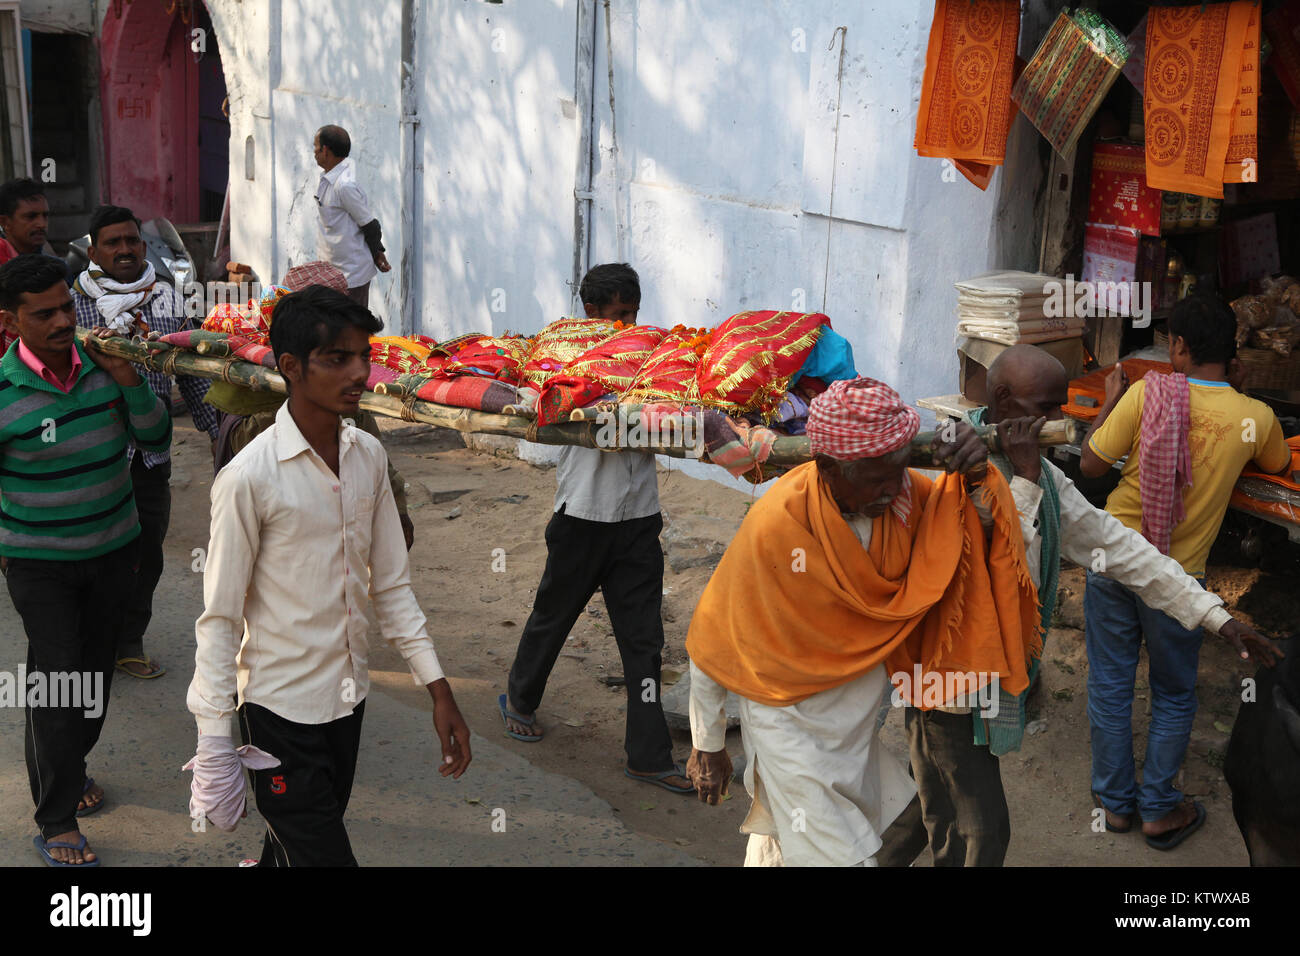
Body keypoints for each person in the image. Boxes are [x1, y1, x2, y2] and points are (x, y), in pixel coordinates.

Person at [875, 344, 1282, 866]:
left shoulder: (1044, 478)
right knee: (979, 832)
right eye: (1043, 407)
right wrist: (1020, 479)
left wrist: (1216, 617)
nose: (1055, 420)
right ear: (1002, 398)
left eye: (1057, 406)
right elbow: (988, 572)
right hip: (943, 685)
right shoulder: (943, 466)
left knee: (928, 807)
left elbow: (1120, 547)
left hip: (985, 677)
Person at [686, 376, 1042, 866]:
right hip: (784, 724)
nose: (890, 489)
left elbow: (978, 533)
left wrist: (989, 473)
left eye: (898, 473)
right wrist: (707, 743)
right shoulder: (776, 523)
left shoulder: (906, 501)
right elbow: (714, 636)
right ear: (828, 467)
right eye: (876, 479)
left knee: (782, 844)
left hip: (851, 732)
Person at [186, 285, 470, 866]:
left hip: (348, 698)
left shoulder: (368, 455)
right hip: (276, 711)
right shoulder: (249, 478)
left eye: (364, 356)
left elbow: (389, 585)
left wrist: (439, 689)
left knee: (292, 847)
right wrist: (214, 735)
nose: (359, 372)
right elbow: (220, 614)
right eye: (337, 359)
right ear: (291, 366)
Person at [1080, 294, 1291, 849]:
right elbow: (1278, 464)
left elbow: (1091, 464)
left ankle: (1114, 802)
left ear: (1177, 347)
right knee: (1174, 693)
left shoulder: (1147, 393)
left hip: (1116, 556)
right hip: (1178, 581)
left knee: (1110, 680)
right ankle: (1159, 809)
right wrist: (1240, 399)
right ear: (1234, 355)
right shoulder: (1255, 417)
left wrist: (1110, 401)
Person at [0, 254, 172, 866]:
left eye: (65, 307)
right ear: (9, 322)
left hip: (113, 554)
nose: (59, 322)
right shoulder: (2, 392)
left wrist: (129, 378)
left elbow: (154, 440)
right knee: (58, 680)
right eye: (41, 314)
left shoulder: (106, 370)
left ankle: (67, 768)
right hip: (38, 566)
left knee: (91, 680)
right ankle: (57, 817)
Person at [498, 263, 691, 793]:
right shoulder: (569, 361)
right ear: (592, 314)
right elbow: (537, 409)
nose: (628, 325)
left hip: (638, 521)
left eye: (633, 314)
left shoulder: (653, 359)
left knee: (644, 641)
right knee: (553, 616)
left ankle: (648, 755)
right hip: (582, 516)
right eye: (619, 316)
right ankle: (519, 697)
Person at [72, 204, 220, 679]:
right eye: (112, 242)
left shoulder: (167, 297)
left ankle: (129, 639)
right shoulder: (75, 301)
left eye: (131, 240)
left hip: (150, 452)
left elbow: (190, 371)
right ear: (93, 251)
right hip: (90, 452)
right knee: (91, 550)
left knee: (147, 548)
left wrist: (220, 435)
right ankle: (84, 638)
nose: (124, 249)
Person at [313, 126, 389, 307]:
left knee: (351, 330)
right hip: (332, 272)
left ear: (325, 150)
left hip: (351, 276)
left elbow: (370, 225)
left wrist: (377, 253)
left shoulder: (344, 185)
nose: (314, 152)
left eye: (316, 147)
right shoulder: (327, 179)